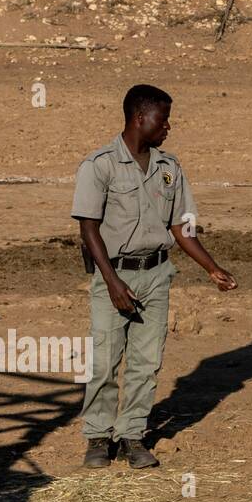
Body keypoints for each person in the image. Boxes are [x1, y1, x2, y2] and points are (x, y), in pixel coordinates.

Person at [71, 84, 237, 469]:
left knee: (146, 363)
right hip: (114, 275)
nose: (168, 127)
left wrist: (212, 267)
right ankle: (98, 436)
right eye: (163, 119)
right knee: (105, 360)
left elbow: (182, 226)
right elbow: (88, 229)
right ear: (139, 118)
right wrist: (112, 282)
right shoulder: (99, 165)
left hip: (157, 274)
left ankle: (132, 435)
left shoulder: (169, 168)